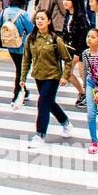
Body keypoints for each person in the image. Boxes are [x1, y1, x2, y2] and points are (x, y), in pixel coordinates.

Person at [22, 9, 74, 148]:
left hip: (53, 76)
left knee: (42, 103)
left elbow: (68, 59)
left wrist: (65, 76)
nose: (39, 21)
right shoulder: (31, 38)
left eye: (42, 18)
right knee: (49, 103)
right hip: (38, 76)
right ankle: (66, 123)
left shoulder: (56, 39)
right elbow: (26, 59)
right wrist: (22, 78)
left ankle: (40, 135)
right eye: (37, 18)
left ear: (49, 21)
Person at [0, 0, 34, 108]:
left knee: (19, 68)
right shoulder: (23, 14)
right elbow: (30, 29)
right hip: (22, 45)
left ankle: (24, 90)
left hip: (9, 45)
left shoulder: (4, 12)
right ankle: (16, 95)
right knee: (20, 70)